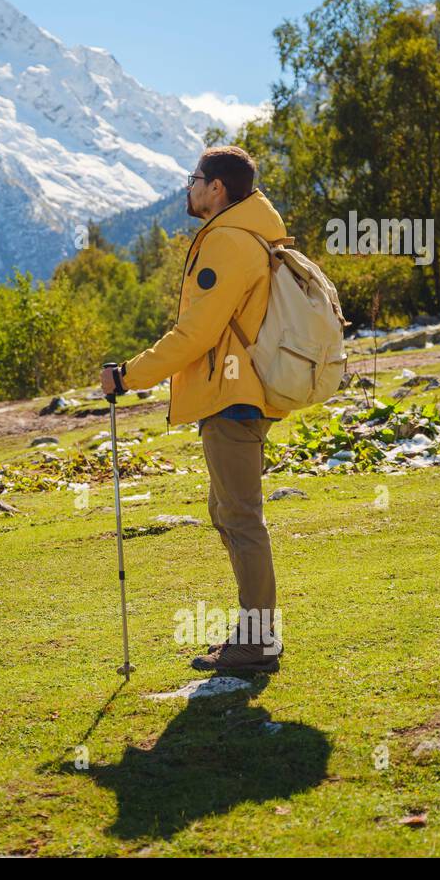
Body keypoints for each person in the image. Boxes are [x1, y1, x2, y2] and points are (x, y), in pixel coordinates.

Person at [100, 145, 286, 673]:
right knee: (229, 513)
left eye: (195, 179)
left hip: (234, 397)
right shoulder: (248, 234)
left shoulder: (227, 242)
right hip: (237, 393)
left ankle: (257, 643)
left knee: (242, 518)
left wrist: (128, 376)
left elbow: (198, 332)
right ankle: (257, 634)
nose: (189, 188)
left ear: (217, 189)